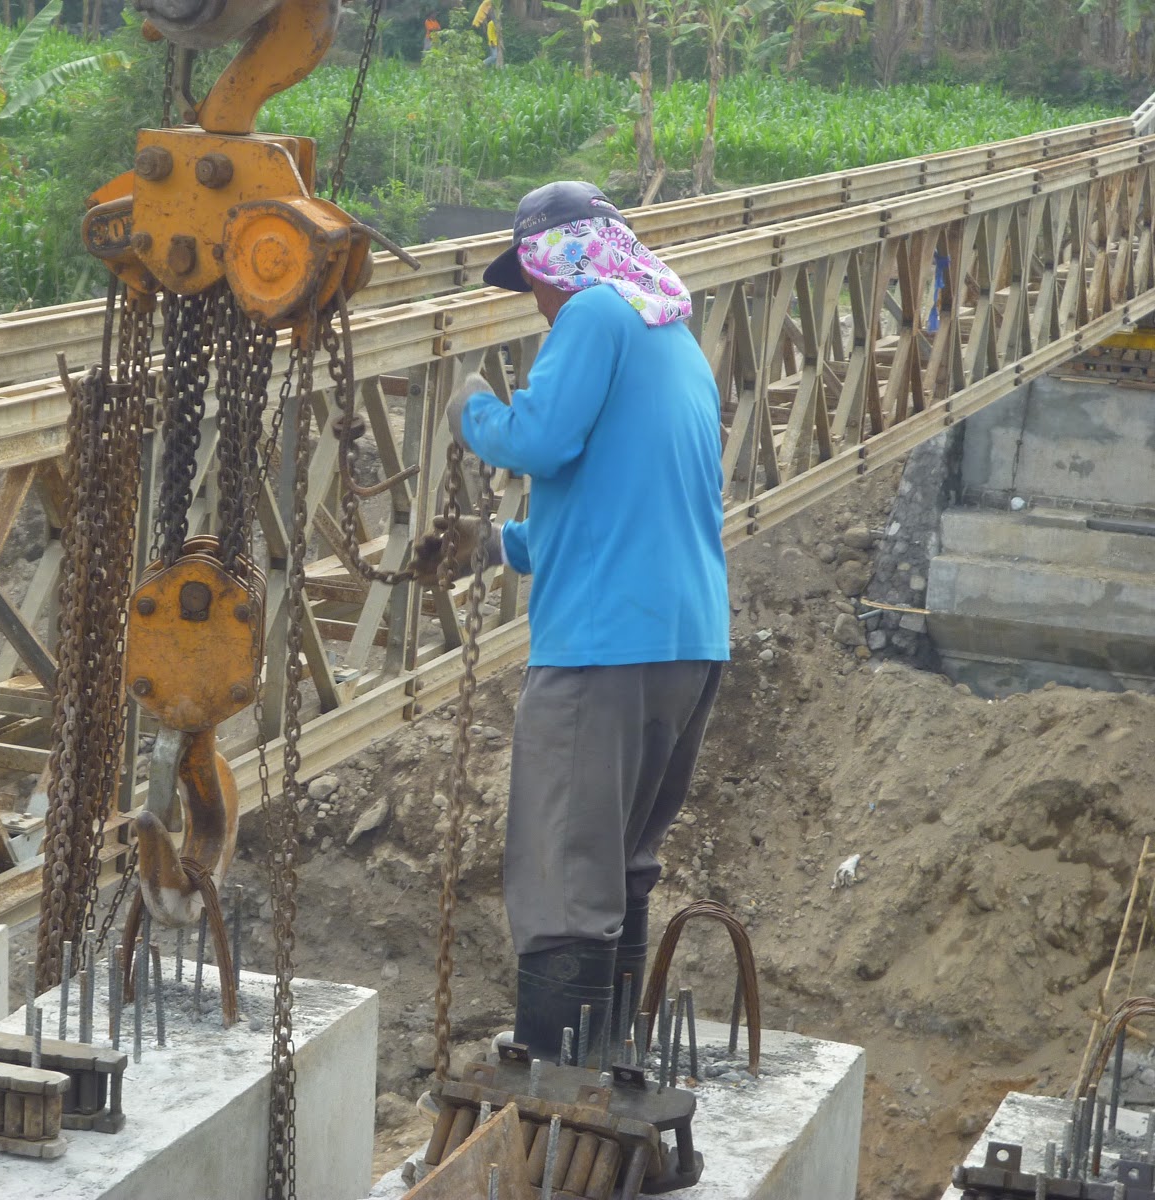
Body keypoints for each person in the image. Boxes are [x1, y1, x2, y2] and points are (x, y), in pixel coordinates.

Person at [413, 181, 729, 1066]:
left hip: (603, 648)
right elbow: (623, 502)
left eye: (536, 284)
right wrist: (502, 545)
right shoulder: (675, 338)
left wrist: (474, 411)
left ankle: (561, 1079)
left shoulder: (592, 314)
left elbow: (543, 442)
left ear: (563, 264)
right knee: (621, 861)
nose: (539, 306)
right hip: (688, 642)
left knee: (561, 868)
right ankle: (608, 1056)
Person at [472, 0, 502, 66]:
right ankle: (482, 64)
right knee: (494, 56)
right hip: (492, 43)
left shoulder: (495, 24)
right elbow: (489, 34)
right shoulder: (491, 24)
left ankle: (494, 69)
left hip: (496, 42)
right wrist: (492, 42)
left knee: (495, 58)